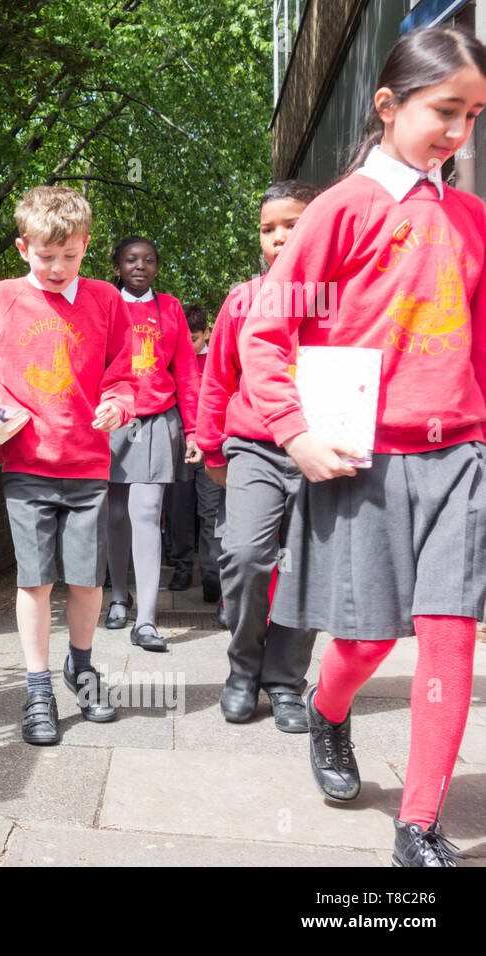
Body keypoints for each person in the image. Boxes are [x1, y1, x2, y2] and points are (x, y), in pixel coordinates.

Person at [240, 26, 486, 866]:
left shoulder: (473, 219)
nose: (459, 133)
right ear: (387, 106)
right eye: (444, 111)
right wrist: (297, 432)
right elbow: (268, 335)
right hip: (363, 460)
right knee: (370, 640)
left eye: (475, 115)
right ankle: (329, 708)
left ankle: (419, 823)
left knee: (450, 631)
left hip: (460, 456)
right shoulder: (341, 210)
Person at [0, 185, 136, 745]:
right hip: (26, 464)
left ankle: (81, 664)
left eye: (69, 256)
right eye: (46, 256)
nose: (57, 267)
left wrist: (119, 402)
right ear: (24, 247)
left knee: (86, 581)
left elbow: (124, 372)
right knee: (36, 580)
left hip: (89, 466)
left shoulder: (105, 300)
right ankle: (39, 687)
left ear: (86, 245)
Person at [197, 180, 322, 732]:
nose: (279, 237)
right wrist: (210, 448)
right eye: (269, 229)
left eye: (292, 225)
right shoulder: (243, 300)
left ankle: (286, 682)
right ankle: (243, 670)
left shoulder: (337, 298)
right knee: (247, 555)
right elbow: (216, 379)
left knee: (304, 568)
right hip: (253, 446)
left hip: (321, 453)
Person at [102, 237, 202, 651]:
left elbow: (186, 370)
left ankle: (146, 619)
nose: (139, 266)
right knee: (116, 514)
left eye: (148, 260)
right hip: (112, 420)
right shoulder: (105, 303)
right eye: (131, 259)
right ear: (118, 266)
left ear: (157, 267)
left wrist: (195, 430)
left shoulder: (171, 308)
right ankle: (119, 598)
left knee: (146, 512)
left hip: (159, 419)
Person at [163, 305, 221, 598]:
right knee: (179, 511)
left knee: (210, 512)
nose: (189, 345)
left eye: (194, 339)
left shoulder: (217, 360)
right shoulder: (173, 361)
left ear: (206, 333)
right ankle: (183, 569)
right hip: (179, 446)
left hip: (210, 447)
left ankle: (212, 574)